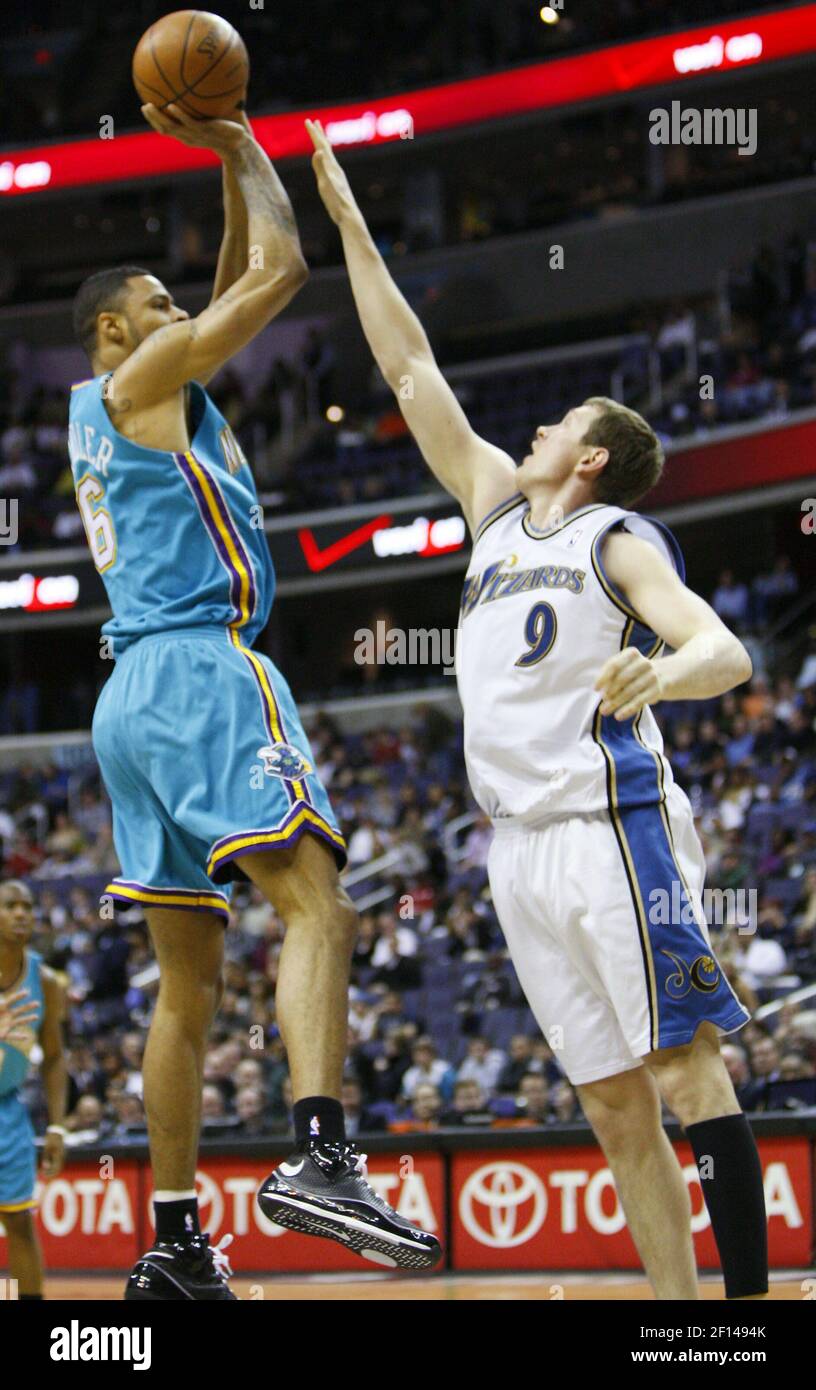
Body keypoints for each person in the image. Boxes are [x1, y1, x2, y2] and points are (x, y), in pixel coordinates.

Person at [307, 118, 767, 1301]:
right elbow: (411, 368)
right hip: (519, 849)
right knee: (615, 1109)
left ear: (594, 459)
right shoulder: (491, 507)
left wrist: (659, 674)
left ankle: (751, 1317)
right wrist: (352, 226)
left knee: (685, 1075)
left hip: (614, 827)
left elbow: (723, 646)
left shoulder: (618, 538)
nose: (541, 428)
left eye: (562, 426)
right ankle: (678, 1322)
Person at [68, 103, 438, 1301]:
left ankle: (172, 1241)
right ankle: (324, 1154)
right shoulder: (144, 369)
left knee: (189, 981)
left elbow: (232, 275)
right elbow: (277, 272)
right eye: (165, 307)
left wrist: (229, 166)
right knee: (320, 907)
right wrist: (248, 146)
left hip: (127, 697)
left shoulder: (129, 399)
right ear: (117, 328)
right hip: (201, 668)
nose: (189, 314)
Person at [0, 880, 67, 1299]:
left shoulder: (47, 981)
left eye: (28, 906)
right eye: (11, 905)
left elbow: (56, 1057)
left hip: (8, 1110)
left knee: (21, 1223)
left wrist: (58, 1127)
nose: (23, 913)